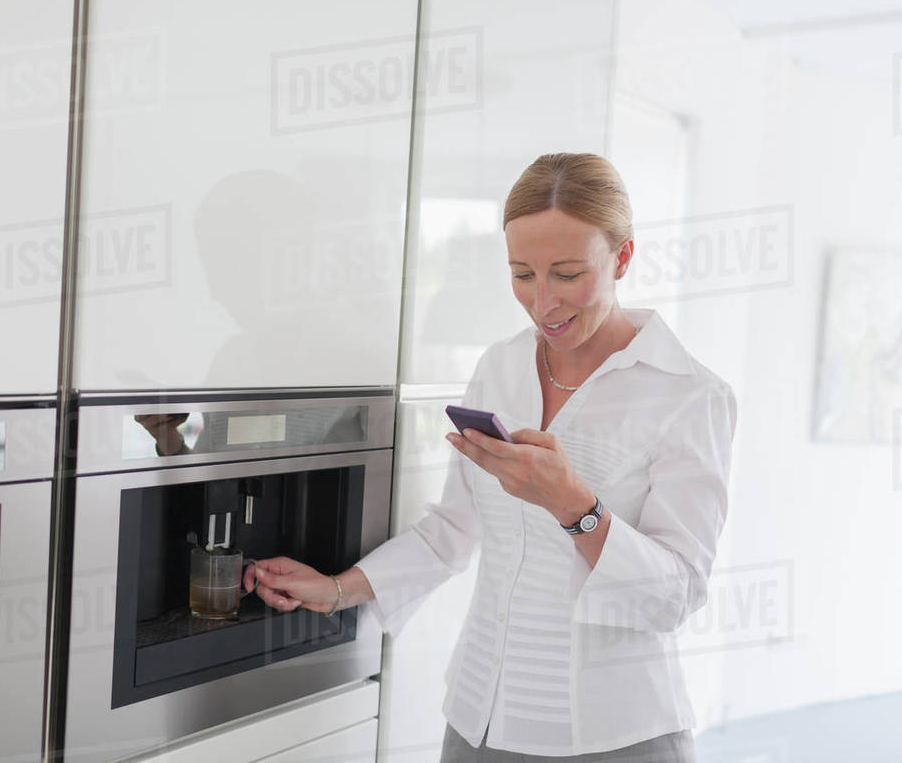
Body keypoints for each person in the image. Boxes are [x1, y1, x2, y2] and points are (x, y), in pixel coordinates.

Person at [243, 152, 737, 762]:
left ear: (624, 258)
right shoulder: (500, 368)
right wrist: (338, 590)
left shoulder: (687, 394)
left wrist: (575, 507)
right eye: (522, 274)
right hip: (478, 725)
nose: (543, 303)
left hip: (615, 737)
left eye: (566, 273)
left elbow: (676, 596)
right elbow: (451, 531)